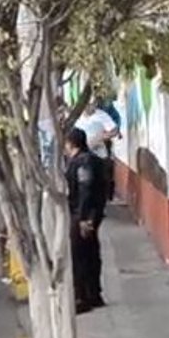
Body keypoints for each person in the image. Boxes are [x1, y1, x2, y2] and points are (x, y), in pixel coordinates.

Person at [65, 128, 108, 314]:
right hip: (92, 214)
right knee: (91, 254)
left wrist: (83, 218)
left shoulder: (83, 163)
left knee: (80, 255)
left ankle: (82, 297)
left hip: (83, 215)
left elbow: (85, 190)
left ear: (71, 143)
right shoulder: (92, 160)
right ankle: (94, 294)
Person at [75, 98, 119, 200]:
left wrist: (102, 137)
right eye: (85, 105)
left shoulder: (101, 115)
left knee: (99, 179)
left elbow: (114, 130)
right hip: (81, 155)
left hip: (98, 154)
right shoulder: (77, 116)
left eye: (90, 104)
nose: (87, 107)